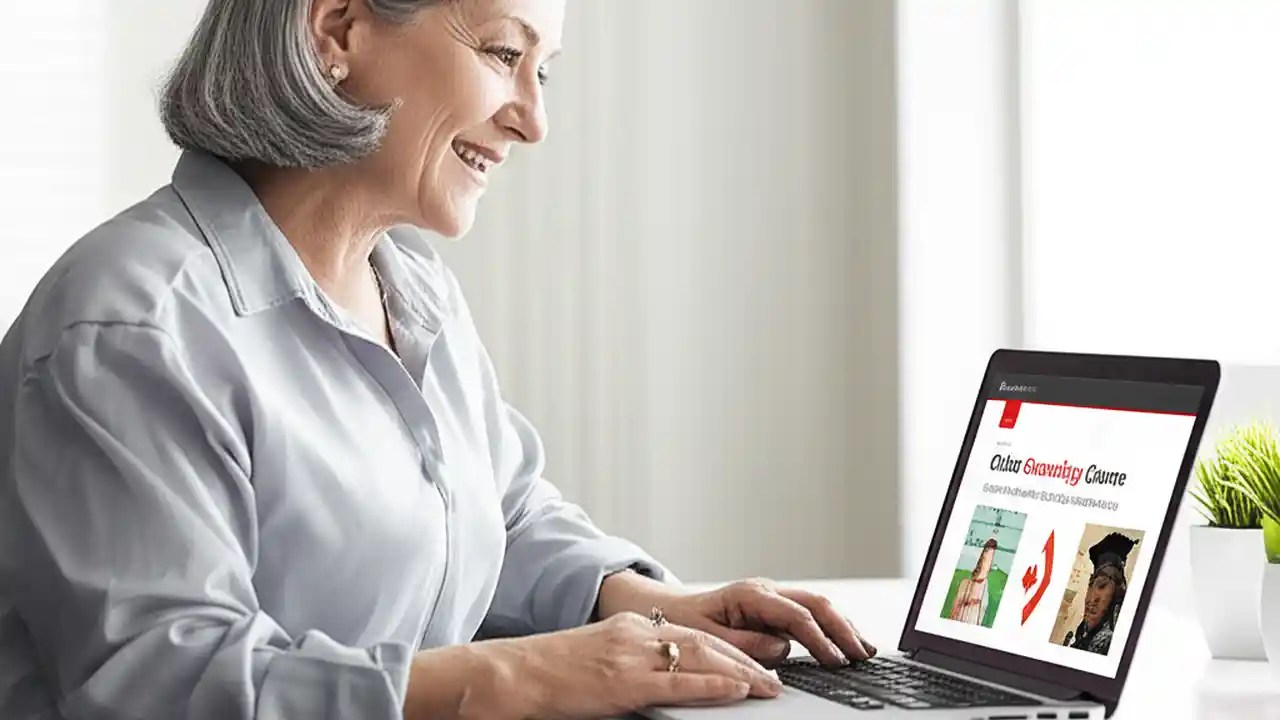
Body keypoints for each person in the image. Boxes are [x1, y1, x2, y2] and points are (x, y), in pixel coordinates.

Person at [0, 1, 880, 718]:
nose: (534, 119)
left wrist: (643, 602)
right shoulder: (131, 328)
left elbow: (497, 511)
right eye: (505, 54)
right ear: (337, 29)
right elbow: (168, 686)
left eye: (547, 72)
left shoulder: (413, 289)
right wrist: (518, 677)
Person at [1063, 532, 1138, 655]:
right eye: (1090, 585)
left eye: (1102, 585)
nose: (1091, 598)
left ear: (1119, 591)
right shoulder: (1082, 632)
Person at [949, 538, 997, 625]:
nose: (988, 559)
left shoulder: (985, 586)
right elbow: (954, 609)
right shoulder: (965, 583)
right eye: (986, 552)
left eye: (991, 556)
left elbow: (981, 610)